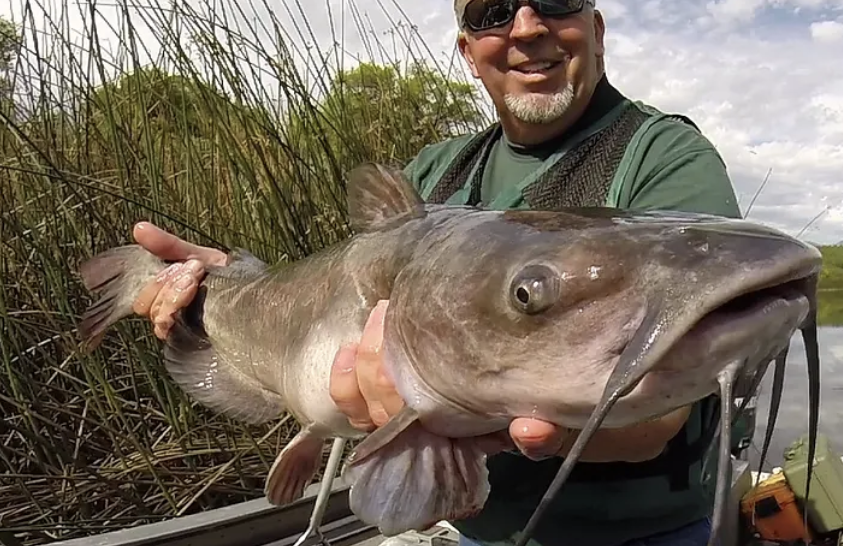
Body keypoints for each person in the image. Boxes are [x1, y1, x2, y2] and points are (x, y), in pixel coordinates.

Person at [130, 1, 745, 545]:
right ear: (470, 54)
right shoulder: (436, 172)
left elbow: (663, 411)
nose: (526, 28)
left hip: (639, 535)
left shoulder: (663, 157)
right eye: (492, 13)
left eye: (555, 1)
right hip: (475, 530)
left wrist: (519, 426)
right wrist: (221, 278)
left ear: (597, 28)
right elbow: (317, 301)